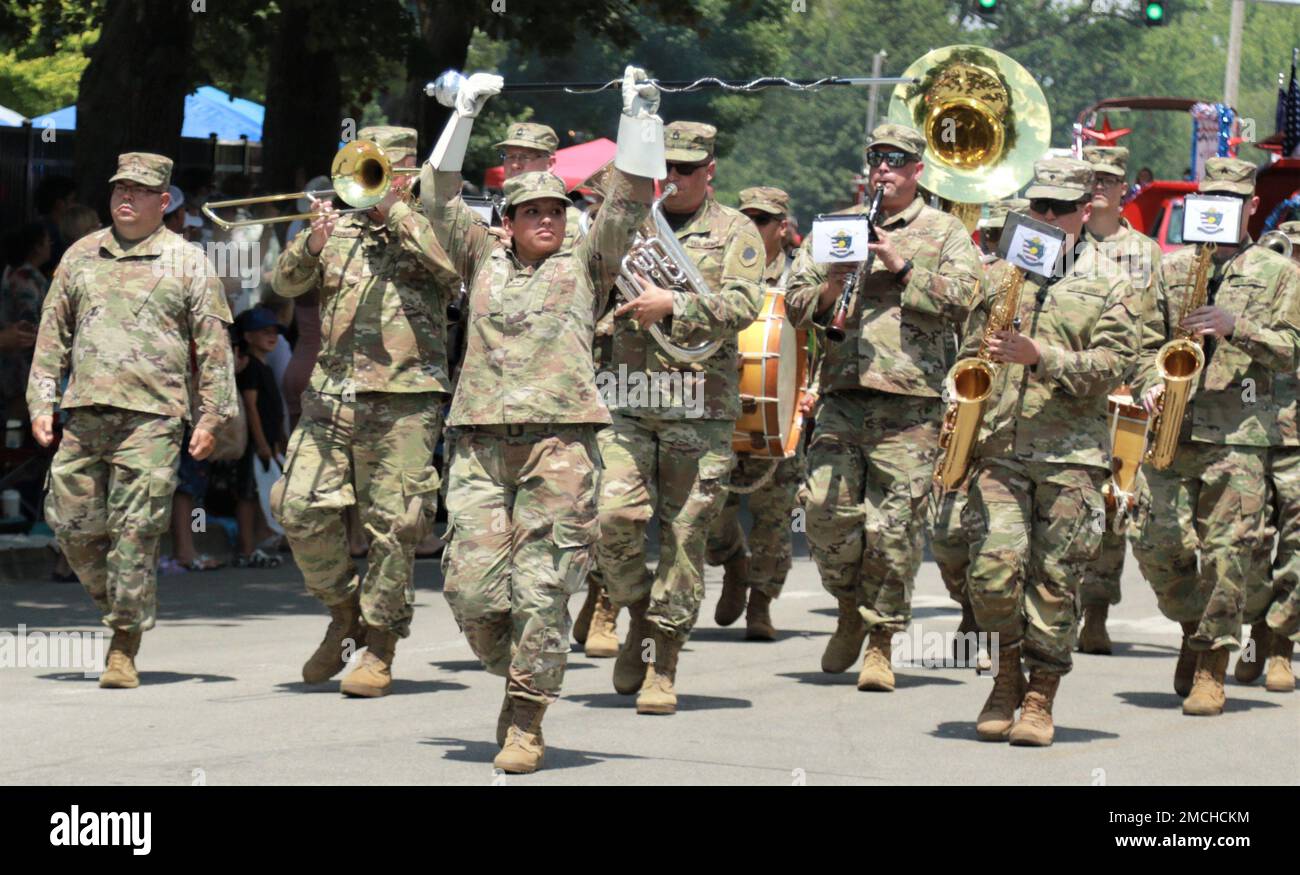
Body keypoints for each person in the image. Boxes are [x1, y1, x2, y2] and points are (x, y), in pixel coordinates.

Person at [422, 66, 660, 770]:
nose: (548, 220)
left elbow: (631, 195)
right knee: (470, 589)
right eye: (532, 212)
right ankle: (525, 665)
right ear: (507, 220)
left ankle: (526, 713)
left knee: (544, 586)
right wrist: (463, 113)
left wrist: (639, 117)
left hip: (561, 446)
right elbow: (435, 194)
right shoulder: (479, 256)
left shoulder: (587, 261)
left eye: (556, 210)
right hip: (478, 447)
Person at [27, 152, 237, 689]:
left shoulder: (187, 261)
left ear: (163, 202)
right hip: (85, 411)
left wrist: (211, 417)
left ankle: (123, 641)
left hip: (154, 418)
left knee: (135, 530)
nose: (126, 198)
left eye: (140, 192)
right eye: (120, 188)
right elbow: (52, 336)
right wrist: (41, 402)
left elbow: (213, 348)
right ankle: (127, 598)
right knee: (70, 522)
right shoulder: (80, 255)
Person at [785, 123, 982, 691]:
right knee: (824, 514)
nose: (884, 170)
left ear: (917, 170)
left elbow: (969, 301)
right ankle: (849, 606)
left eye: (896, 161)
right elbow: (795, 305)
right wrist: (833, 283)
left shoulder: (944, 230)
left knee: (894, 530)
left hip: (912, 400)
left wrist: (899, 265)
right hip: (843, 391)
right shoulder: (837, 225)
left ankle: (880, 641)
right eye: (876, 160)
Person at [271, 126, 459, 698]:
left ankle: (380, 647)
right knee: (296, 507)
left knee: (395, 526)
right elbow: (282, 283)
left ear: (407, 176)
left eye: (385, 171)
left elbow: (451, 273)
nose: (372, 182)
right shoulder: (337, 229)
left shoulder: (434, 223)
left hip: (404, 398)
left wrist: (393, 213)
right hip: (332, 394)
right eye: (366, 169)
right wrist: (310, 245)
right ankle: (344, 614)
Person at [959, 157, 1139, 745]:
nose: (1045, 218)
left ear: (1086, 211)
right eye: (1037, 207)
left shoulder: (1112, 279)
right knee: (990, 574)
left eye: (1059, 209)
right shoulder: (998, 274)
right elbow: (964, 354)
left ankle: (1039, 697)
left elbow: (1116, 365)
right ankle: (1005, 678)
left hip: (1071, 456)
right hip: (1000, 449)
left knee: (1056, 583)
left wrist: (1044, 357)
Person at [596, 119, 764, 716]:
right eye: (664, 168)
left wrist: (676, 302)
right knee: (612, 518)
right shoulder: (629, 224)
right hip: (629, 396)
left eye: (687, 169)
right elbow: (589, 283)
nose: (672, 179)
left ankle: (662, 662)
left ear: (710, 171)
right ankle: (638, 612)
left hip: (698, 405)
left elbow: (746, 304)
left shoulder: (737, 231)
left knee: (684, 539)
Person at [1131, 157, 1300, 716]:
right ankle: (1191, 626)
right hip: (1173, 429)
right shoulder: (1174, 270)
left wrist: (1237, 327)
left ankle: (1210, 665)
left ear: (1252, 206)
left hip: (1239, 434)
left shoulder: (1281, 274)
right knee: (1157, 544)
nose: (1222, 209)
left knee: (1229, 554)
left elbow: (1293, 348)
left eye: (1233, 200)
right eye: (1213, 199)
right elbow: (1138, 344)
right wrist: (1147, 383)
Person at [1076, 145, 1165, 654]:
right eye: (1091, 178)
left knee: (1111, 506)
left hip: (1120, 394)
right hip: (1067, 388)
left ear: (1124, 187)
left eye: (1108, 179)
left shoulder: (1144, 252)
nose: (1099, 186)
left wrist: (1149, 380)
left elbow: (1151, 330)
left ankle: (1095, 612)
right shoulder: (1063, 241)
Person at [929, 196, 1024, 668]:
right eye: (987, 238)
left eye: (1001, 238)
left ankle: (1001, 636)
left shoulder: (1051, 283)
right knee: (946, 533)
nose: (991, 247)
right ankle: (971, 609)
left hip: (1023, 432)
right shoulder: (979, 279)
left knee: (1003, 544)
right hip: (969, 414)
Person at [705, 185, 802, 640]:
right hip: (721, 404)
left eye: (762, 220)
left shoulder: (802, 276)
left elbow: (816, 341)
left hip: (777, 411)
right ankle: (733, 564)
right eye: (746, 217)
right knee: (707, 508)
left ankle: (761, 603)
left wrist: (810, 390)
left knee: (774, 516)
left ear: (782, 227)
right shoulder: (723, 265)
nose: (752, 226)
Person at [1260, 219, 1300, 689]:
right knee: (1249, 548)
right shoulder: (1265, 296)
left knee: (1294, 547)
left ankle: (1280, 646)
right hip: (1250, 433)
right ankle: (1254, 636)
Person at [233, 307, 288, 568]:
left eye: (275, 331)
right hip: (254, 444)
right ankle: (246, 549)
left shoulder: (264, 366)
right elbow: (251, 406)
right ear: (248, 336)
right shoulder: (251, 368)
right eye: (264, 331)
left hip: (267, 443)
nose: (272, 336)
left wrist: (276, 440)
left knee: (258, 494)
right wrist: (262, 443)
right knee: (247, 495)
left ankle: (256, 543)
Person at [493, 121, 585, 249]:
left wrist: (518, 252)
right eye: (510, 156)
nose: (515, 165)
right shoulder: (493, 211)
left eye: (525, 157)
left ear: (550, 164)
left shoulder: (576, 223)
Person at [34, 174, 77, 275]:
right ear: (59, 204)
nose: (74, 205)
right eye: (72, 200)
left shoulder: (39, 226)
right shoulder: (53, 234)